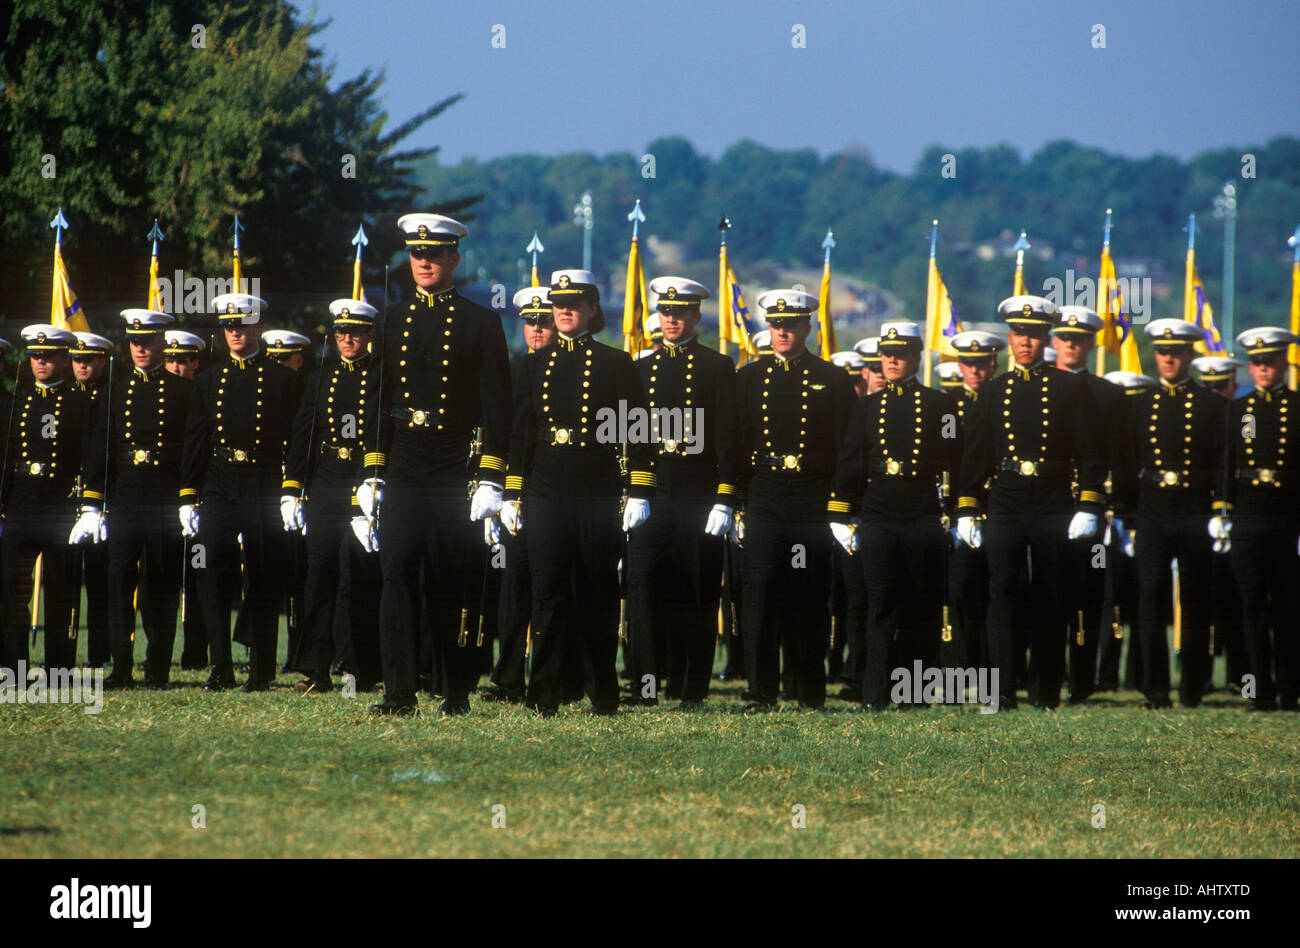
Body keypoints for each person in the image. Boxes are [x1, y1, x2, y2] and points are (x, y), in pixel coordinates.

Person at [358, 213, 511, 716]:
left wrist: (492, 476)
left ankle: (456, 688)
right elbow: (377, 402)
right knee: (396, 573)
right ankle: (398, 691)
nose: (424, 262)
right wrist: (372, 470)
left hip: (453, 466)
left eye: (434, 254)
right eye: (416, 254)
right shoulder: (392, 320)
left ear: (453, 259)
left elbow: (497, 407)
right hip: (404, 462)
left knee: (450, 578)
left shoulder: (480, 322)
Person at [501, 269, 655, 717]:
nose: (564, 309)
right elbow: (520, 434)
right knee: (547, 590)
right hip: (547, 485)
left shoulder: (615, 363)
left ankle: (603, 692)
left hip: (596, 485)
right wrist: (513, 492)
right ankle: (542, 693)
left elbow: (638, 431)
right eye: (558, 303)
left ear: (592, 309)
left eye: (575, 302)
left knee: (598, 590)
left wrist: (639, 489)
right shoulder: (531, 364)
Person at [955, 296, 1105, 710]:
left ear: (1046, 339)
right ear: (1010, 338)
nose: (1026, 343)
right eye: (1020, 335)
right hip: (1005, 497)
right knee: (1001, 590)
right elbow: (975, 454)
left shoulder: (1070, 387)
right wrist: (967, 507)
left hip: (1053, 497)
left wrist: (1089, 505)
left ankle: (1045, 691)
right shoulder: (993, 391)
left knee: (1051, 593)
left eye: (1035, 335)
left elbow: (1092, 453)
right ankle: (999, 692)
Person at [734, 289, 855, 711]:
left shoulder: (833, 379)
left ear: (808, 327)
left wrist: (840, 507)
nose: (782, 331)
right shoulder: (748, 378)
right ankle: (761, 691)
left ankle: (809, 690)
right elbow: (734, 443)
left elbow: (847, 449)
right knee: (761, 590)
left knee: (806, 589)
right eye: (775, 324)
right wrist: (731, 500)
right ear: (767, 327)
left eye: (791, 324)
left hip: (809, 500)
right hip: (766, 497)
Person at [831, 321, 963, 708]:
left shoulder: (941, 406)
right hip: (879, 510)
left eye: (899, 355)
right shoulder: (867, 407)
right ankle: (874, 693)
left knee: (921, 604)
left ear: (916, 358)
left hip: (921, 509)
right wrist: (840, 512)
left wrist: (961, 511)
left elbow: (957, 457)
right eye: (885, 355)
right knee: (880, 602)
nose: (890, 361)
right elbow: (850, 462)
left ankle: (915, 693)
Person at [179, 293, 304, 691]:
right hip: (218, 481)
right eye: (229, 326)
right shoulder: (208, 379)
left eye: (242, 325)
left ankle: (262, 667)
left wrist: (291, 489)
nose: (235, 332)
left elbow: (297, 439)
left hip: (262, 480)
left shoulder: (284, 379)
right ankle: (221, 666)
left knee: (264, 571)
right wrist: (187, 493)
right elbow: (196, 441)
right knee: (213, 569)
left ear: (257, 328)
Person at [624, 276, 738, 708]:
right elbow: (632, 436)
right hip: (652, 492)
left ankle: (692, 689)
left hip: (698, 493)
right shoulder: (641, 367)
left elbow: (729, 437)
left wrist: (726, 497)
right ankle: (647, 687)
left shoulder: (716, 367)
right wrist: (634, 490)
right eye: (665, 312)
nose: (671, 320)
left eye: (680, 313)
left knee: (697, 591)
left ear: (696, 316)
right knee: (644, 589)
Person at [1113, 318, 1226, 709]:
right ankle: (1155, 688)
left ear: (1189, 355)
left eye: (1175, 353)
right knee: (1150, 598)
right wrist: (1127, 516)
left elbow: (1223, 461)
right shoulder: (1141, 404)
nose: (1168, 360)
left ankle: (1193, 687)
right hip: (1153, 510)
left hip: (1195, 509)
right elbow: (1127, 461)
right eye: (1162, 353)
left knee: (1195, 600)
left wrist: (1220, 506)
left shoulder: (1214, 406)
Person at [76, 310, 190, 689]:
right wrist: (93, 501)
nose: (140, 347)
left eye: (148, 341)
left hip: (164, 493)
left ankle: (157, 668)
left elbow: (193, 448)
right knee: (117, 579)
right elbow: (101, 448)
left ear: (162, 343)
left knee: (162, 580)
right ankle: (120, 668)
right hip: (125, 493)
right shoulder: (115, 389)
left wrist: (189, 497)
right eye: (134, 342)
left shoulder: (183, 391)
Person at [283, 300, 383, 694]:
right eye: (341, 333)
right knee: (319, 575)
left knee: (358, 577)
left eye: (355, 332)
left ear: (369, 335)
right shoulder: (320, 379)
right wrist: (293, 488)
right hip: (325, 483)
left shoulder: (379, 377)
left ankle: (360, 667)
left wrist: (374, 482)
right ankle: (315, 667)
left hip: (362, 482)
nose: (347, 339)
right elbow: (303, 437)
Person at [1, 325, 93, 672]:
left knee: (60, 590)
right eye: (36, 355)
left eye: (49, 355)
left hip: (60, 505)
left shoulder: (82, 403)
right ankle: (13, 666)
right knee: (11, 587)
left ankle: (59, 669)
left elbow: (91, 455)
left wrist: (88, 506)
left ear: (64, 358)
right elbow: (8, 458)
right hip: (22, 503)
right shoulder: (18, 402)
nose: (41, 361)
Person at [1051, 306, 1127, 705]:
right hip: (1044, 507)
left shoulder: (1108, 394)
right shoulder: (1036, 387)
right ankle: (1043, 678)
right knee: (1044, 595)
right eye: (1064, 337)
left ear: (1091, 343)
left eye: (1078, 339)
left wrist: (1114, 509)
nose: (1070, 345)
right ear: (1053, 340)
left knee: (1090, 594)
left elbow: (1120, 455)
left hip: (1092, 510)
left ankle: (1082, 682)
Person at [1222, 328, 1299, 711]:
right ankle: (1257, 690)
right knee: (1251, 606)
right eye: (1256, 362)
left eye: (1270, 361)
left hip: (1287, 516)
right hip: (1249, 516)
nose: (1263, 368)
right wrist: (1222, 511)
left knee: (1288, 606)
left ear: (1284, 363)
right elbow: (1227, 464)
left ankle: (1290, 688)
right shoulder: (1239, 410)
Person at [943, 330, 1004, 671]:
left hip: (999, 503)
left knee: (994, 588)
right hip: (960, 507)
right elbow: (948, 455)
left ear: (993, 365)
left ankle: (993, 666)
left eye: (982, 364)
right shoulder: (950, 407)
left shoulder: (1003, 399)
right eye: (968, 364)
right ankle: (958, 665)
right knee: (960, 588)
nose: (975, 371)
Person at [1095, 370, 1157, 692]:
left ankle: (1138, 674)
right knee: (1107, 598)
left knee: (1141, 598)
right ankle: (1105, 675)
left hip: (1140, 526)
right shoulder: (1105, 437)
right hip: (1106, 531)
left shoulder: (1150, 440)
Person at [1192, 354, 1249, 694]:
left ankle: (1241, 676)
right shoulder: (1194, 419)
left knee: (1238, 601)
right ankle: (1198, 675)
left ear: (1233, 386)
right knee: (1201, 601)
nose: (1214, 393)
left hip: (1240, 518)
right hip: (1200, 518)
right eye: (1207, 387)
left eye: (1220, 386)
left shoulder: (1244, 418)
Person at [163, 329, 208, 669]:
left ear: (195, 362)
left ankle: (195, 650)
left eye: (182, 360)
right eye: (170, 360)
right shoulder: (159, 395)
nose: (175, 366)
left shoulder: (203, 393)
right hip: (164, 498)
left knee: (199, 572)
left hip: (199, 496)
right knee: (163, 576)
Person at [71, 332, 115, 668]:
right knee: (67, 580)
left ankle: (100, 654)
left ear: (102, 361)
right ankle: (65, 654)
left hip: (100, 499)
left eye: (88, 360)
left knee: (100, 581)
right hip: (63, 502)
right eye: (76, 359)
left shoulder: (110, 397)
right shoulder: (64, 397)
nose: (82, 365)